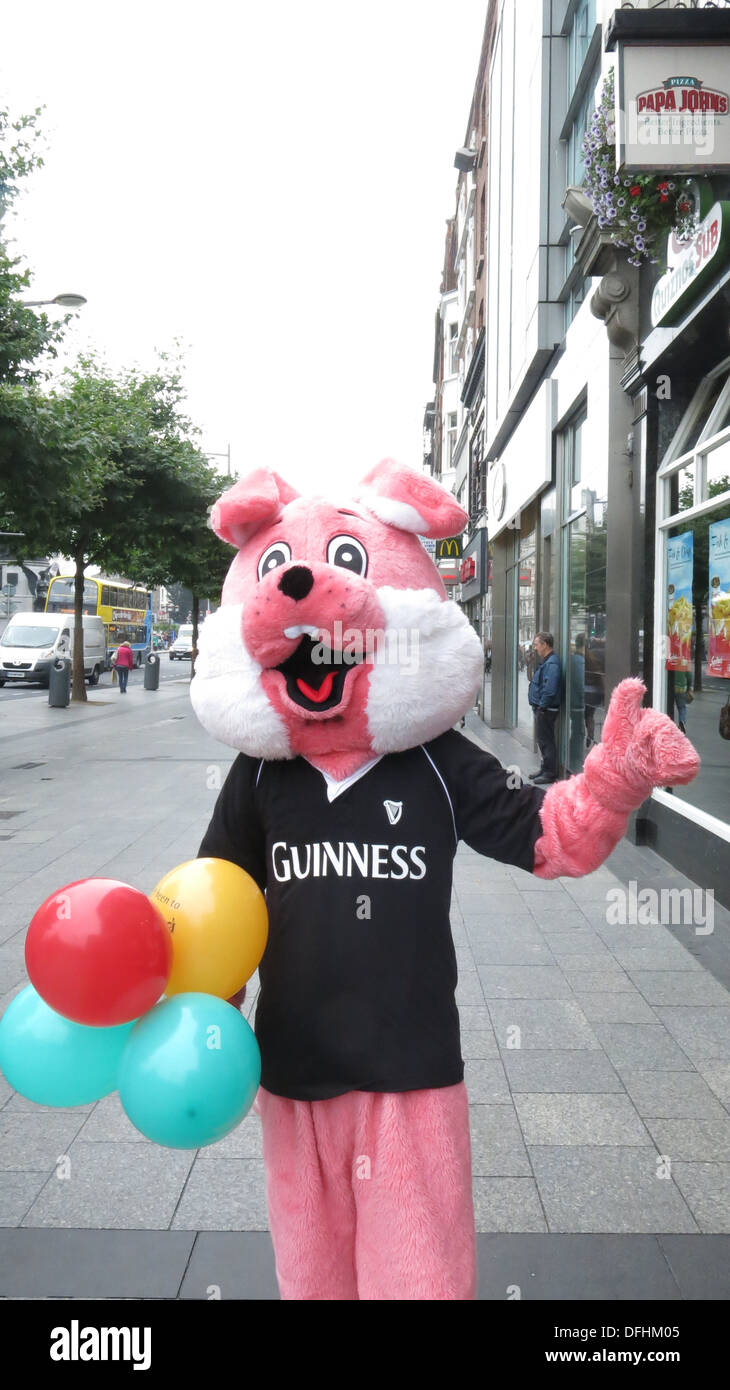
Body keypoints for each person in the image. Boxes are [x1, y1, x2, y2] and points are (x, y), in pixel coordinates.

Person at [528, 631, 561, 784]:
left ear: (545, 645)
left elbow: (550, 687)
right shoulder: (548, 661)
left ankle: (549, 773)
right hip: (542, 708)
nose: (535, 648)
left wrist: (542, 707)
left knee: (546, 741)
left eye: (536, 645)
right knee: (542, 741)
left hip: (546, 710)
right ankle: (544, 768)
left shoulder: (552, 663)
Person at [674, 668, 692, 735]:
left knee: (668, 707)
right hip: (681, 689)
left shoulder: (671, 660)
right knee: (682, 708)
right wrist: (689, 687)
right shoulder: (684, 661)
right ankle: (682, 721)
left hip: (670, 687)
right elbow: (689, 676)